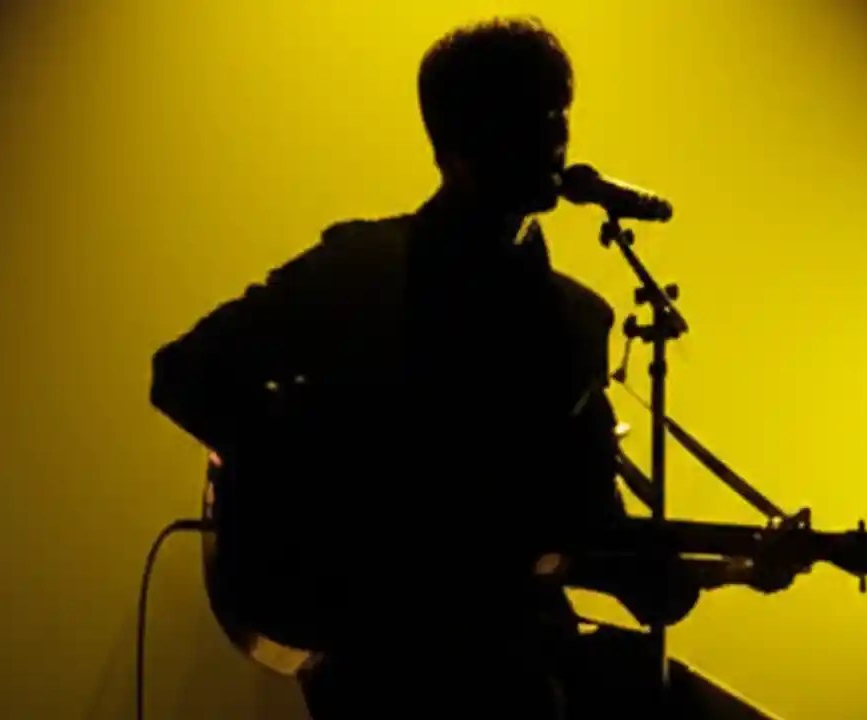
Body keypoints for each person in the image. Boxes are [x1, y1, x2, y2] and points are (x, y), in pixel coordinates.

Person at [150, 16, 795, 719]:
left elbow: (596, 534)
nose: (556, 135)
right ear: (462, 145)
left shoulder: (575, 322)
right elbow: (184, 371)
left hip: (523, 642)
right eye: (531, 118)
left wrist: (738, 566)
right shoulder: (363, 272)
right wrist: (336, 477)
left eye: (560, 114)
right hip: (385, 652)